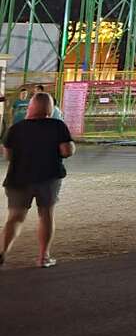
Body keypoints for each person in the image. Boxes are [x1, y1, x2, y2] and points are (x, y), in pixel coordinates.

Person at [2, 92, 74, 268]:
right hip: (48, 177)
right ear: (49, 109)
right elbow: (66, 151)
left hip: (18, 178)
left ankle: (2, 252)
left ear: (30, 108)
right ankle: (43, 257)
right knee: (46, 214)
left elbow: (8, 155)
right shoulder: (57, 126)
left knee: (15, 217)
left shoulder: (16, 128)